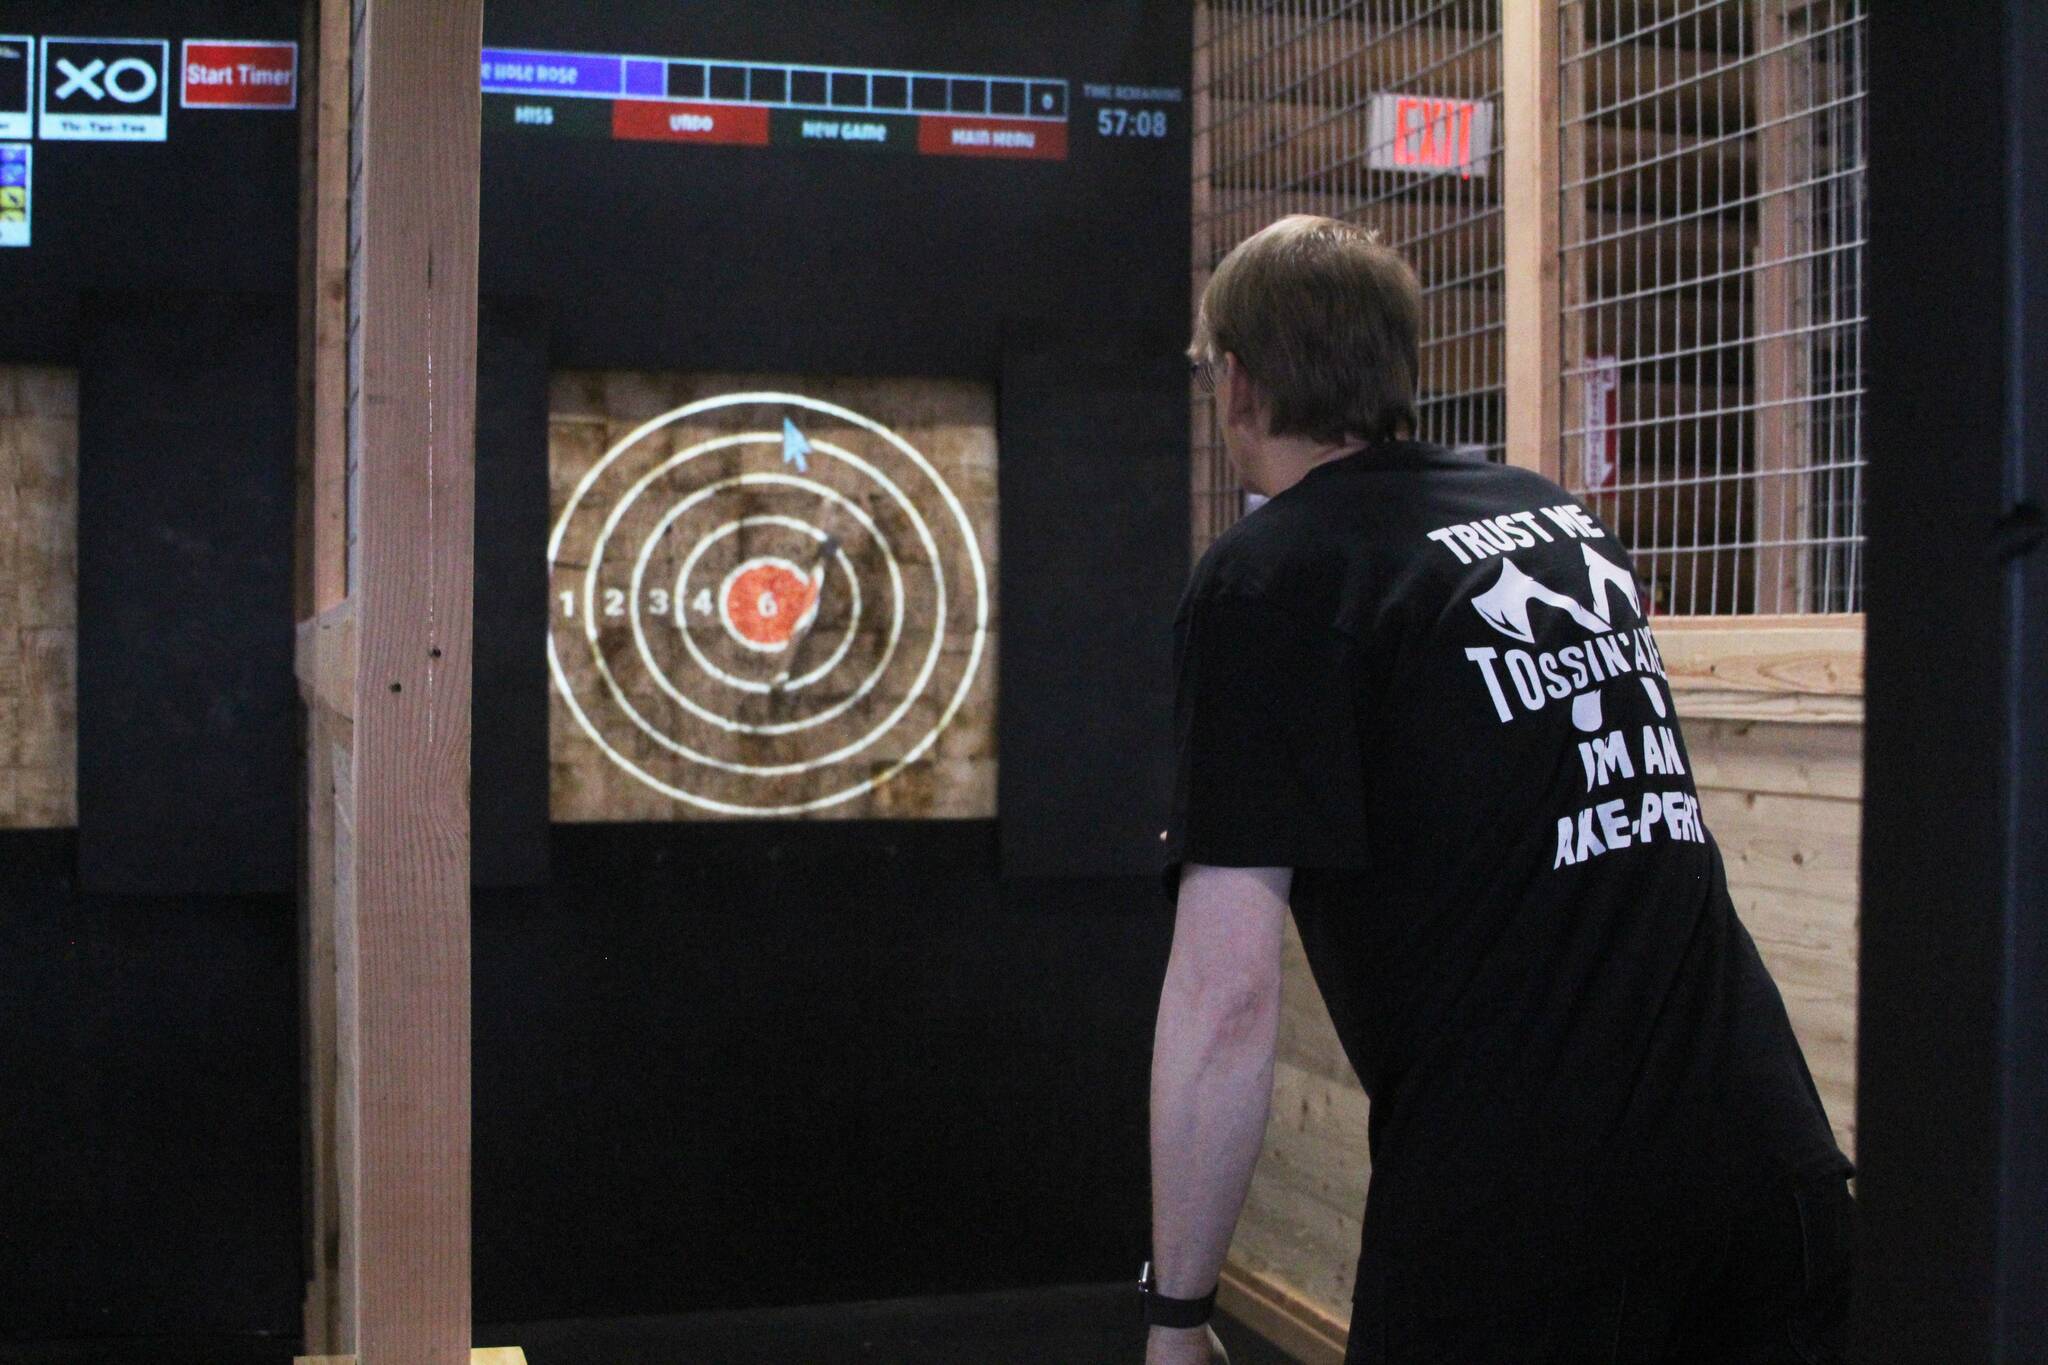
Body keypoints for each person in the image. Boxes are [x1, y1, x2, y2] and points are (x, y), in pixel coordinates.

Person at [1141, 215, 1854, 1365]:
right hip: (1766, 1173)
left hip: (1531, 1229)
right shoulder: (1554, 518)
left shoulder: (1267, 581)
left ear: (1234, 382)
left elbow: (1224, 995)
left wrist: (1176, 1313)